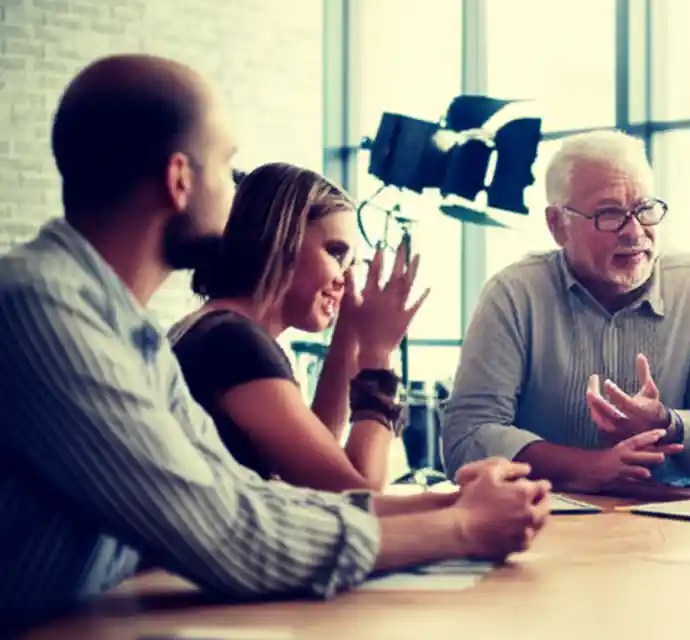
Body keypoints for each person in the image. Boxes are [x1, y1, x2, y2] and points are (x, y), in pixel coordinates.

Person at [0, 55, 551, 634]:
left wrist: (451, 503)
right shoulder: (39, 307)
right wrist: (462, 528)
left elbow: (244, 493)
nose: (237, 193)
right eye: (227, 166)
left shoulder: (126, 331)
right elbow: (224, 531)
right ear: (180, 179)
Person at [442, 130, 690, 494]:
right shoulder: (514, 293)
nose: (635, 231)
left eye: (644, 209)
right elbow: (465, 440)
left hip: (678, 522)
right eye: (610, 214)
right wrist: (589, 467)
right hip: (544, 525)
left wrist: (668, 424)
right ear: (557, 225)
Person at [169, 163, 426, 491]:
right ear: (281, 237)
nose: (345, 279)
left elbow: (317, 455)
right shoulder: (235, 344)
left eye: (352, 266)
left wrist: (349, 327)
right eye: (336, 253)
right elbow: (357, 497)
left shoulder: (213, 328)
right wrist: (378, 356)